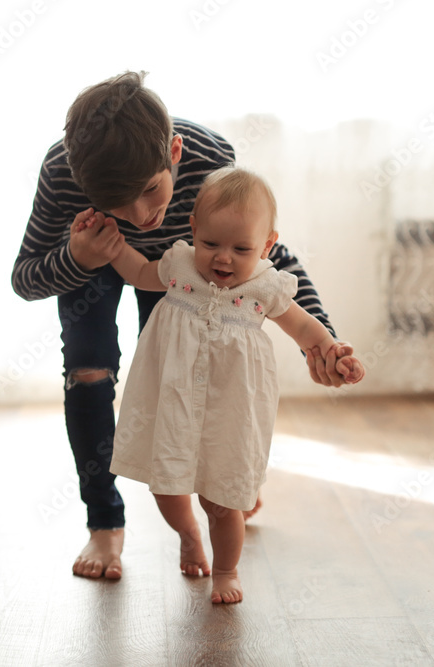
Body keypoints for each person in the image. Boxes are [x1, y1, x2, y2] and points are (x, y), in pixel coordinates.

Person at [11, 71, 355, 581]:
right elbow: (25, 279)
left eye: (150, 191)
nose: (139, 216)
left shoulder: (209, 159)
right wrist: (76, 256)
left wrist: (320, 341)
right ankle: (104, 524)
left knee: (197, 373)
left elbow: (266, 262)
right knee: (89, 369)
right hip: (95, 263)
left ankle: (223, 481)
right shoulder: (63, 171)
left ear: (173, 153)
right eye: (116, 204)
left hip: (183, 283)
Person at [72, 166, 365, 603]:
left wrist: (333, 350)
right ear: (194, 231)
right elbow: (137, 272)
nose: (223, 258)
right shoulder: (179, 266)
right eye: (210, 243)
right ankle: (188, 533)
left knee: (225, 499)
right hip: (174, 400)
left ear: (267, 245)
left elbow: (306, 329)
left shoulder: (266, 286)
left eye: (240, 248)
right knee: (166, 486)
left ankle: (226, 571)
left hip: (232, 409)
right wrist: (111, 246)